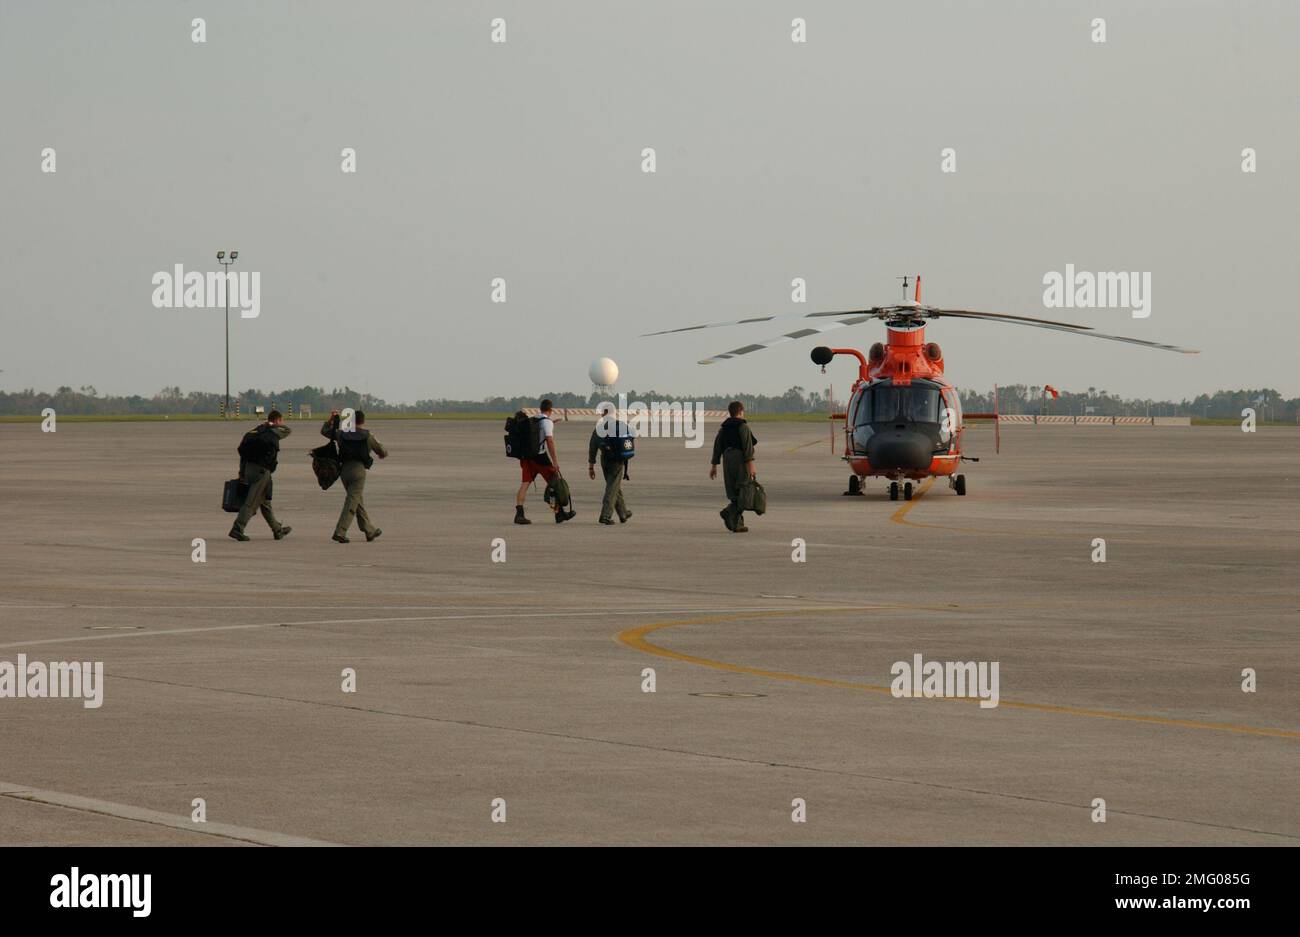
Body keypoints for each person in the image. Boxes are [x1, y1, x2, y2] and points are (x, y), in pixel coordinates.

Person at [321, 409, 388, 543]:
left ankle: (369, 530)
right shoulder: (367, 436)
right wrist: (381, 454)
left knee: (356, 500)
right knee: (352, 501)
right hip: (358, 471)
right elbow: (382, 451)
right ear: (363, 421)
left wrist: (331, 419)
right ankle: (340, 531)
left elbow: (325, 431)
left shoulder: (341, 434)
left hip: (344, 471)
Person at [229, 410, 292, 541]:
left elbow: (243, 454)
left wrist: (242, 471)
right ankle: (238, 528)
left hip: (249, 469)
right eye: (281, 421)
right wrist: (272, 425)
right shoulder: (273, 431)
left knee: (265, 502)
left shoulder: (256, 431)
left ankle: (277, 530)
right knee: (251, 502)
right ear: (277, 421)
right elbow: (288, 430)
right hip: (261, 471)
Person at [515, 399, 574, 525]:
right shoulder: (547, 423)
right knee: (554, 485)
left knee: (524, 485)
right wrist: (555, 461)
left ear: (540, 408)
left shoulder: (534, 419)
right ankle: (558, 514)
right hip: (541, 458)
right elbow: (549, 441)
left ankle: (519, 514)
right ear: (551, 410)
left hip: (527, 457)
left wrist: (552, 423)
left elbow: (538, 432)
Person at [710, 400, 757, 533]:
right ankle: (728, 512)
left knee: (734, 492)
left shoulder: (723, 428)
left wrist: (714, 465)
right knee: (745, 491)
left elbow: (717, 446)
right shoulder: (743, 427)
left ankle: (737, 523)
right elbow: (748, 448)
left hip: (727, 459)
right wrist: (751, 466)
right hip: (740, 460)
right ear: (741, 412)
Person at [588, 402, 633, 525]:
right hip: (617, 461)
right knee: (612, 488)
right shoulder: (620, 425)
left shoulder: (599, 427)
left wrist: (591, 466)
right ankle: (605, 515)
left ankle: (623, 513)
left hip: (605, 460)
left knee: (614, 486)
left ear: (605, 412)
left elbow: (593, 446)